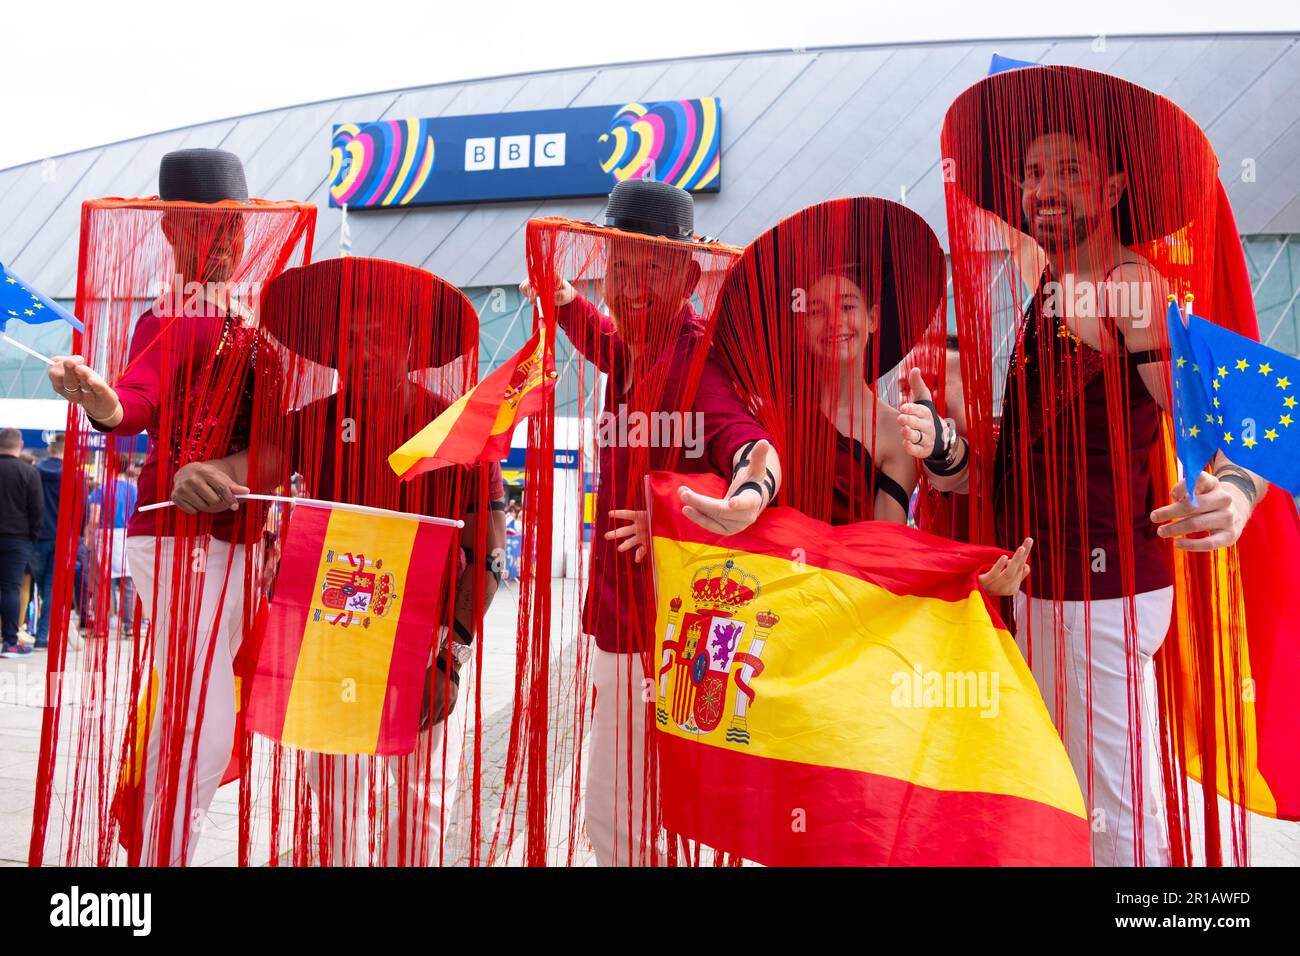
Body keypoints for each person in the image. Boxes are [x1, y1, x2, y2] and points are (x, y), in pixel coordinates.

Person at [941, 63, 1276, 866]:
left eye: (1069, 172)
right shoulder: (1053, 283)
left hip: (1103, 593)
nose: (1043, 189)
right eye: (1031, 173)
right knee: (1071, 794)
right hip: (1048, 588)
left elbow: (1251, 418)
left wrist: (1233, 492)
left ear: (1117, 185)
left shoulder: (1130, 289)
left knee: (1115, 816)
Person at [186, 256, 505, 865]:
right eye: (348, 339)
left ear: (411, 345)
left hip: (427, 637)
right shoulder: (313, 422)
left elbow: (487, 555)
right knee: (334, 795)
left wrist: (452, 656)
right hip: (330, 636)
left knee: (422, 798)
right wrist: (210, 472)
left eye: (378, 337)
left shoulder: (461, 431)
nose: (361, 351)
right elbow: (255, 464)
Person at [520, 179, 783, 866]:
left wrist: (742, 498)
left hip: (666, 632)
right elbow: (609, 344)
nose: (632, 286)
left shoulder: (700, 358)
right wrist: (571, 303)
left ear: (689, 276)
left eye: (651, 270)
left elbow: (750, 445)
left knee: (622, 819)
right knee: (638, 816)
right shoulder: (639, 347)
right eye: (620, 269)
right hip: (626, 619)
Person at [46, 148, 291, 865]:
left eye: (231, 231)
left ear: (246, 234)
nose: (219, 246)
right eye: (200, 232)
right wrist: (103, 400)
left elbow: (282, 432)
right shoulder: (169, 316)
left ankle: (151, 853)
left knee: (193, 714)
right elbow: (137, 399)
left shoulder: (254, 316)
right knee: (208, 721)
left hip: (241, 540)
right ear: (171, 236)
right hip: (175, 538)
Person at [712, 196, 1031, 596]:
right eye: (813, 310)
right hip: (768, 599)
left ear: (873, 318)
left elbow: (888, 549)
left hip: (849, 604)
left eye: (848, 305)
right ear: (796, 329)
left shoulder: (896, 433)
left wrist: (964, 583)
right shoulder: (761, 418)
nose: (835, 323)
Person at [86, 456, 139, 639]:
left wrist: (90, 537)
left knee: (102, 583)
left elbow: (94, 517)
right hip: (128, 536)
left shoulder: (101, 490)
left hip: (105, 537)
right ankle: (129, 626)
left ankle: (101, 626)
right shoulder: (135, 490)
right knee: (128, 584)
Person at [0, 428, 42, 658]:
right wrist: (31, 537)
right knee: (10, 589)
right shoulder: (29, 472)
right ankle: (9, 641)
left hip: (16, 537)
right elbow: (36, 509)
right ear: (20, 444)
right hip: (18, 538)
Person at [30, 434, 65, 649]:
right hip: (62, 537)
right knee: (51, 586)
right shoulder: (74, 474)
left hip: (38, 535)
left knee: (37, 585)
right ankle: (43, 634)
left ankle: (35, 629)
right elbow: (81, 508)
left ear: (49, 449)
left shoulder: (35, 472)